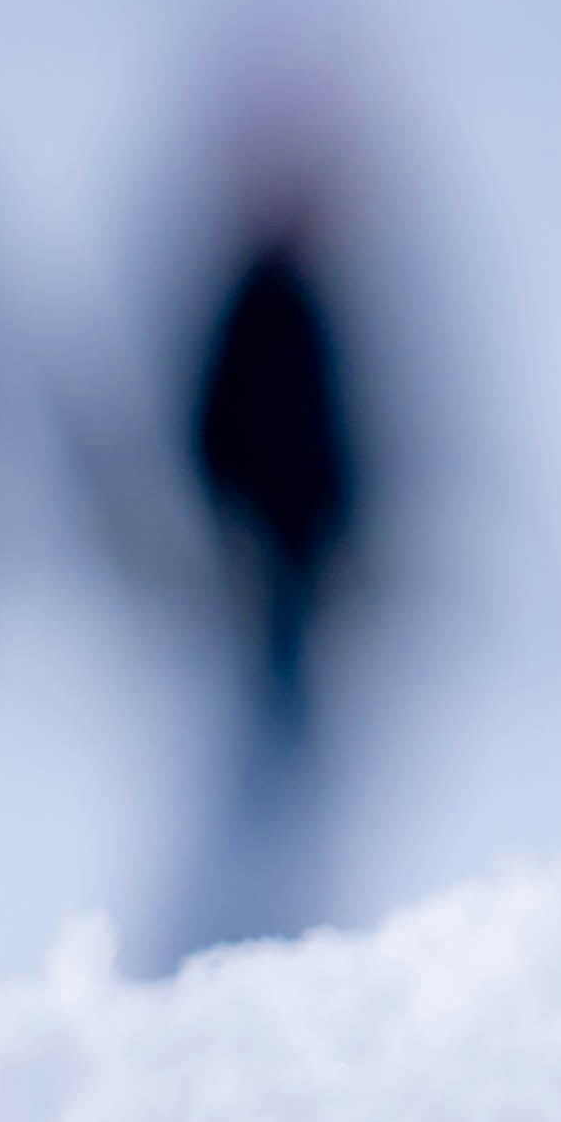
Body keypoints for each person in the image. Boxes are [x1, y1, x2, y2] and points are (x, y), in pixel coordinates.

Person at [158, 91, 387, 955]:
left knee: (288, 756)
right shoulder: (258, 302)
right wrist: (236, 541)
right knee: (260, 759)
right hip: (263, 574)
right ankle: (238, 936)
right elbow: (214, 438)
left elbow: (343, 447)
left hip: (304, 573)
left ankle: (279, 928)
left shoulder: (307, 298)